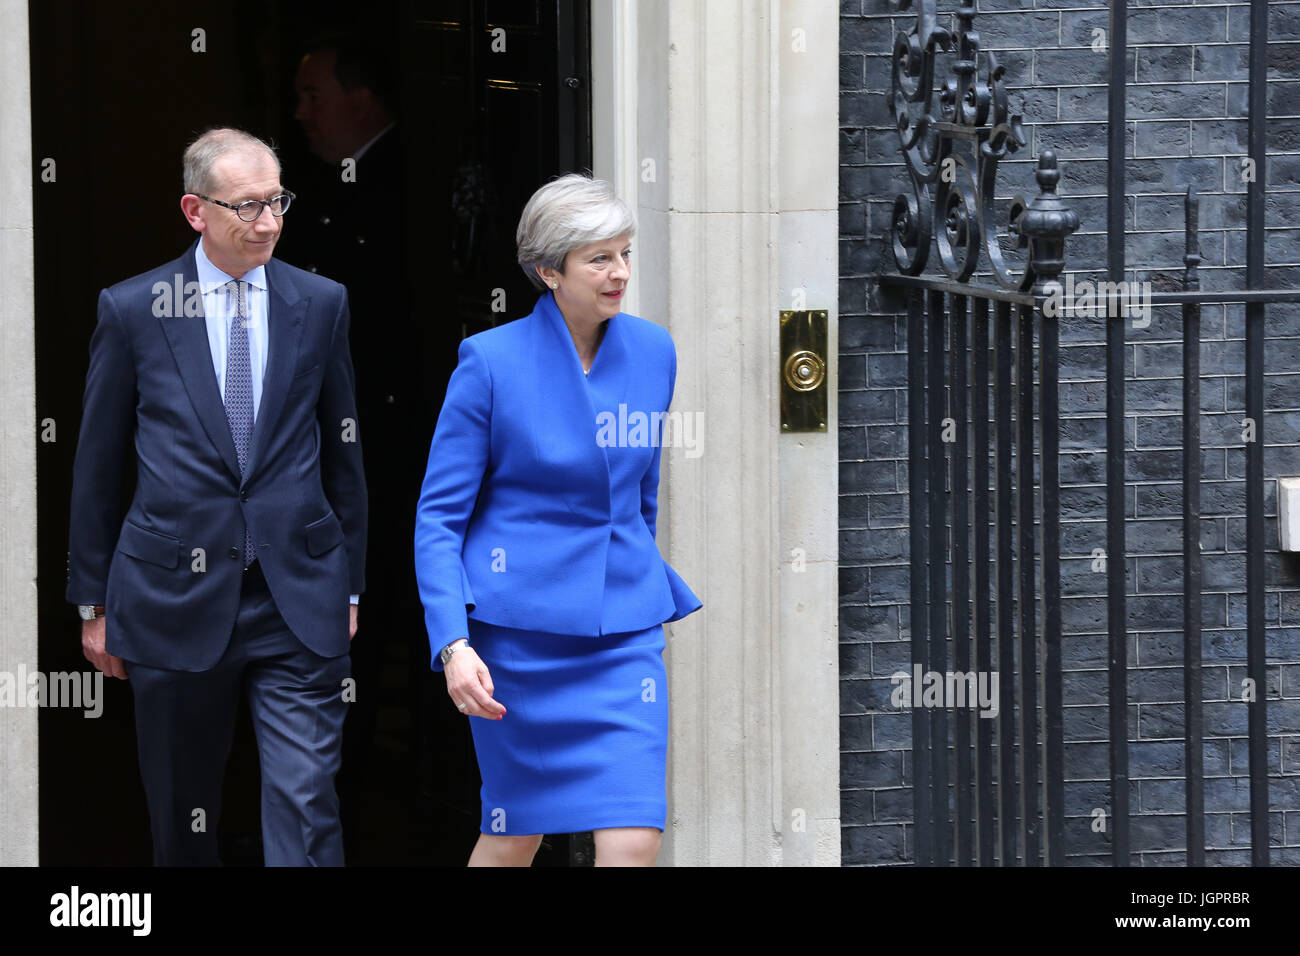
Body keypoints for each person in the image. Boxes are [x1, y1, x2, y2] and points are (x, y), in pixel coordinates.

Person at [65, 127, 367, 866]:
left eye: (277, 202)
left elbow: (344, 451)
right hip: (171, 594)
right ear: (195, 211)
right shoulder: (134, 308)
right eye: (246, 207)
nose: (267, 223)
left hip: (294, 591)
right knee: (184, 812)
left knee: (305, 804)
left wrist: (350, 584)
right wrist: (93, 604)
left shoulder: (320, 302)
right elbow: (98, 465)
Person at [414, 173, 702, 867]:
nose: (620, 272)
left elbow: (642, 493)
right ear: (549, 271)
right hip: (517, 641)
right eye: (599, 258)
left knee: (634, 840)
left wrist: (632, 581)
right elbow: (438, 520)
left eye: (625, 253)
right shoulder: (489, 363)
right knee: (516, 836)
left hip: (622, 635)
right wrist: (454, 644)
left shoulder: (653, 350)